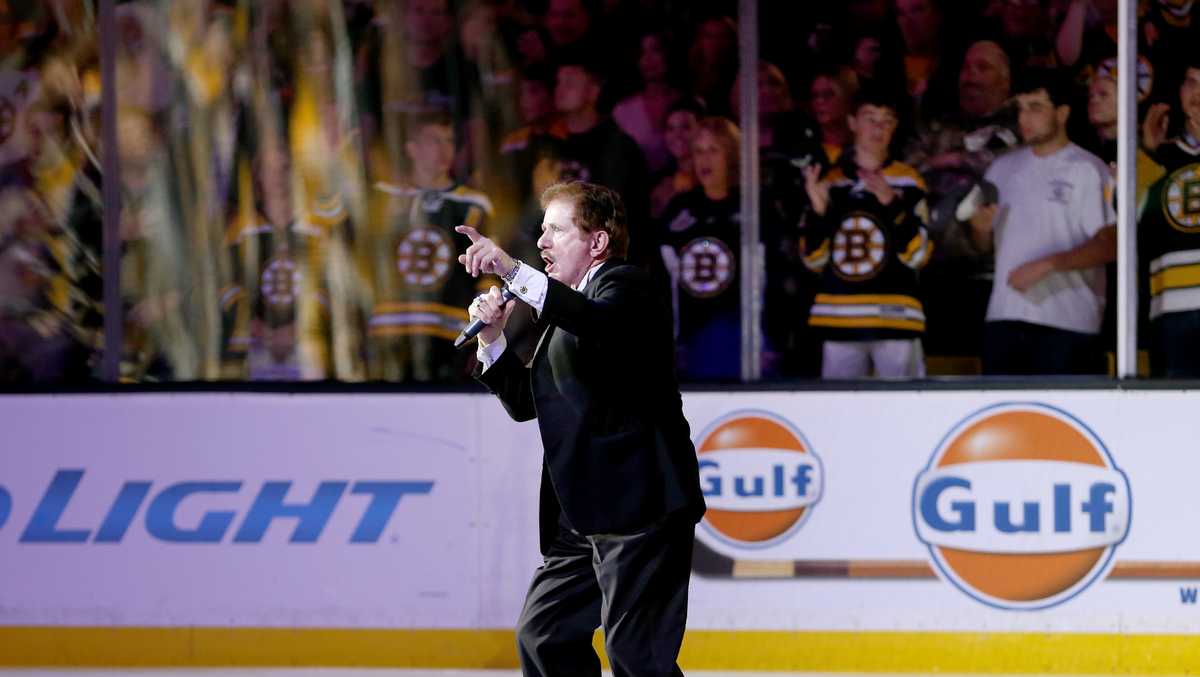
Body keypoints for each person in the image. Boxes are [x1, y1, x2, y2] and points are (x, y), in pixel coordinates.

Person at [457, 180, 705, 677]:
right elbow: (530, 402)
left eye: (557, 231)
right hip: (582, 516)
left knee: (638, 657)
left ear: (597, 242)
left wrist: (511, 270)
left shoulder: (627, 285)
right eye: (541, 232)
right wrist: (493, 339)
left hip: (640, 510)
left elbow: (598, 324)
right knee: (545, 635)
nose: (542, 243)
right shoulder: (567, 308)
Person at [968, 71, 1116, 375]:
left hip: (1067, 322)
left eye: (1035, 107)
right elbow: (983, 246)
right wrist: (979, 229)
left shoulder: (1087, 169)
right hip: (1004, 317)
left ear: (1062, 113)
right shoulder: (1000, 169)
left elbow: (1110, 244)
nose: (1025, 117)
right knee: (1007, 420)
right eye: (1021, 108)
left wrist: (1048, 264)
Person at [802, 87, 932, 379]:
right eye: (870, 118)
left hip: (897, 318)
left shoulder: (909, 181)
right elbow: (812, 260)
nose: (878, 127)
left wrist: (892, 204)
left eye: (886, 120)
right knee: (838, 415)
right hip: (838, 319)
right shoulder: (829, 182)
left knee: (905, 411)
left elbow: (920, 254)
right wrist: (819, 213)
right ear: (852, 122)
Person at [367, 113, 494, 382]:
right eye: (433, 141)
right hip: (388, 337)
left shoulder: (474, 204)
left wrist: (481, 334)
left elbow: (488, 277)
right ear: (411, 149)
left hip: (451, 341)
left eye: (448, 141)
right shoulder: (380, 198)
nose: (443, 149)